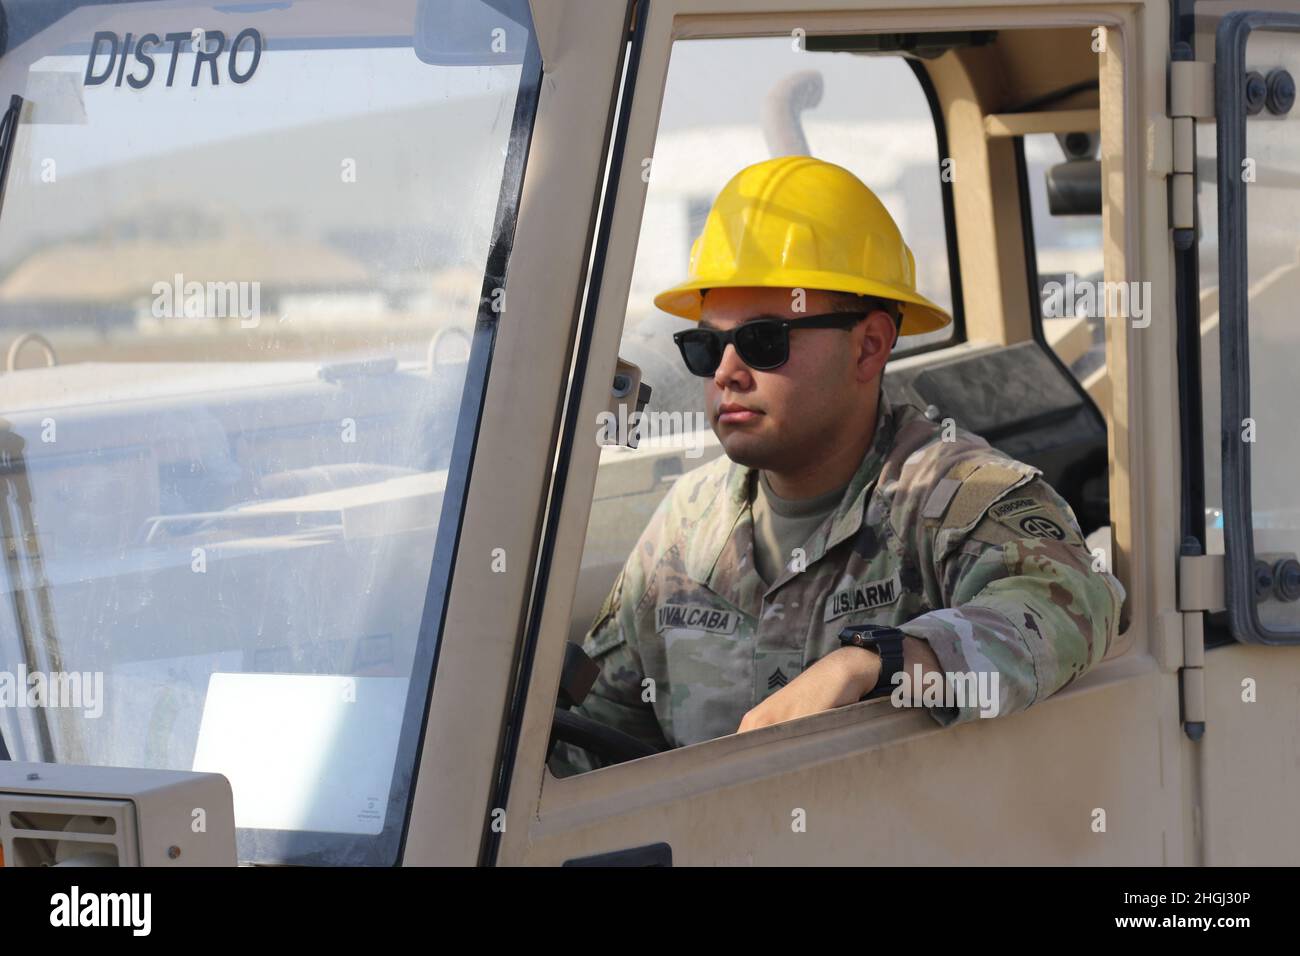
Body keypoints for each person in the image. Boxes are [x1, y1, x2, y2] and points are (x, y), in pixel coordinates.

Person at [549, 155, 1124, 775]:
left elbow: (1074, 601)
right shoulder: (685, 525)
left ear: (869, 345)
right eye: (706, 346)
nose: (725, 373)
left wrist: (876, 663)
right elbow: (597, 741)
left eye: (764, 341)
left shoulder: (952, 497)